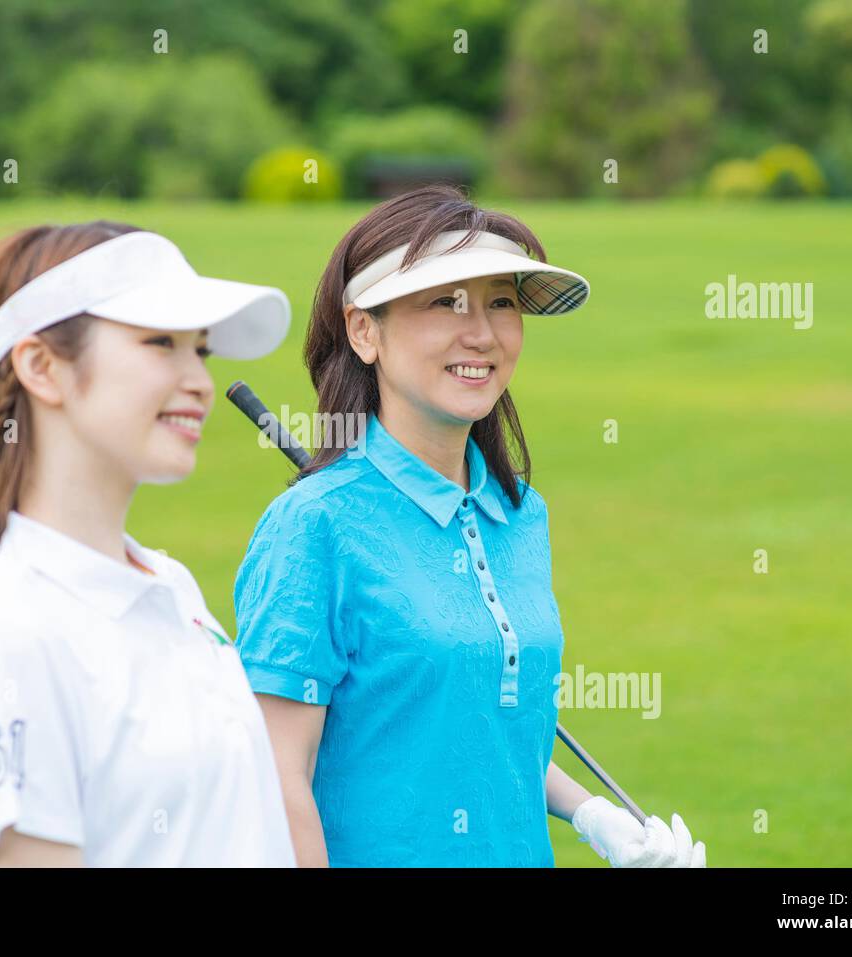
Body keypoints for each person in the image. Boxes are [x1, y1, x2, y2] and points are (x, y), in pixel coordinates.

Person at [234, 185, 707, 867]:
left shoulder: (519, 514)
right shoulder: (312, 527)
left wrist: (591, 812)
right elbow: (279, 779)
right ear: (364, 329)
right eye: (445, 301)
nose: (481, 333)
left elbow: (475, 719)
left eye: (502, 302)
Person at [0, 221, 297, 867]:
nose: (201, 382)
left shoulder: (170, 585)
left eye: (201, 351)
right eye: (161, 343)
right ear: (42, 367)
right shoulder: (13, 637)